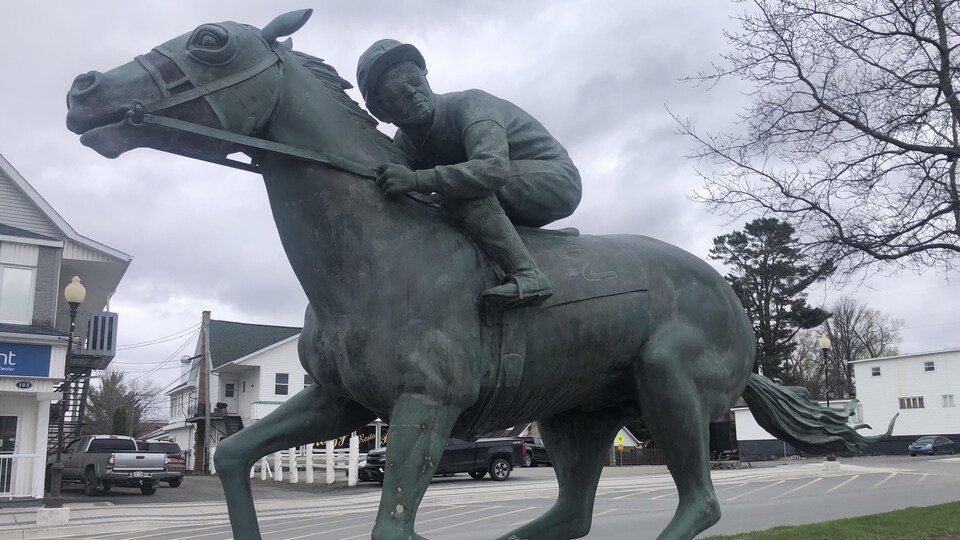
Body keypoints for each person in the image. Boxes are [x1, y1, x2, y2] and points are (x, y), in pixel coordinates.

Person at [357, 39, 582, 310]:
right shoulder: (404, 144)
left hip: (555, 178)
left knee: (460, 193)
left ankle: (529, 275)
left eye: (414, 79)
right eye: (396, 91)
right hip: (500, 193)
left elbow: (492, 169)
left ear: (425, 76)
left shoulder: (471, 105)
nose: (411, 92)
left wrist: (416, 179)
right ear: (382, 112)